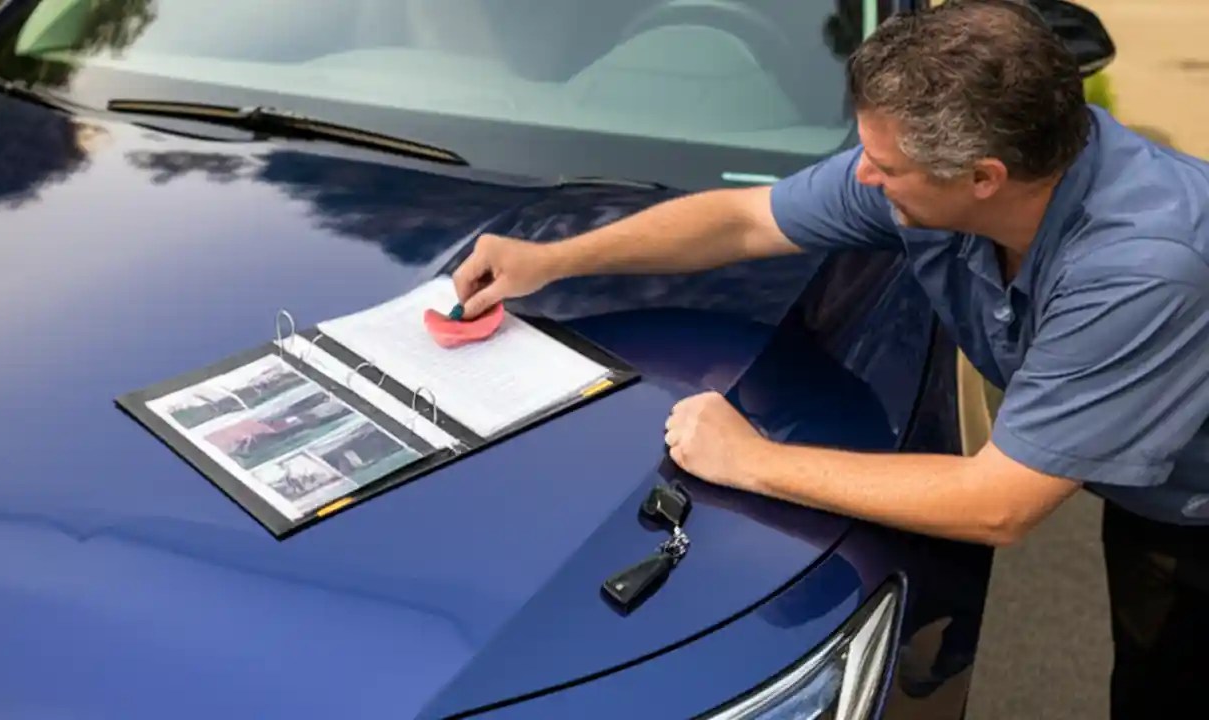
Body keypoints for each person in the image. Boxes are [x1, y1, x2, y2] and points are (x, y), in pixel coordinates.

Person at [450, 0, 1208, 716]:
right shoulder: (953, 173)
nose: (863, 176)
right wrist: (551, 261)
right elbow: (746, 221)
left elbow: (997, 503)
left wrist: (749, 460)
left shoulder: (1139, 267)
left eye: (884, 164)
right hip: (1157, 492)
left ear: (983, 178)